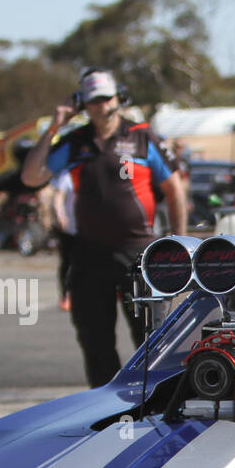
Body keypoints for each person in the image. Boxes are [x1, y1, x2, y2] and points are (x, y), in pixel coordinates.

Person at [21, 68, 187, 388]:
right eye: (94, 100)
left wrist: (177, 243)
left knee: (153, 338)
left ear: (119, 98)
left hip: (139, 253)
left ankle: (155, 401)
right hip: (90, 255)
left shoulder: (141, 136)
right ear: (83, 104)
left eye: (106, 98)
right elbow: (31, 176)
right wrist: (56, 124)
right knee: (94, 340)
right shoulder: (74, 142)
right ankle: (108, 407)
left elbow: (174, 189)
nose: (101, 106)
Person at [49, 169, 75, 311]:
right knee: (67, 262)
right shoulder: (67, 174)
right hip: (69, 228)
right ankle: (65, 295)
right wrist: (60, 216)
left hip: (88, 229)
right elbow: (58, 196)